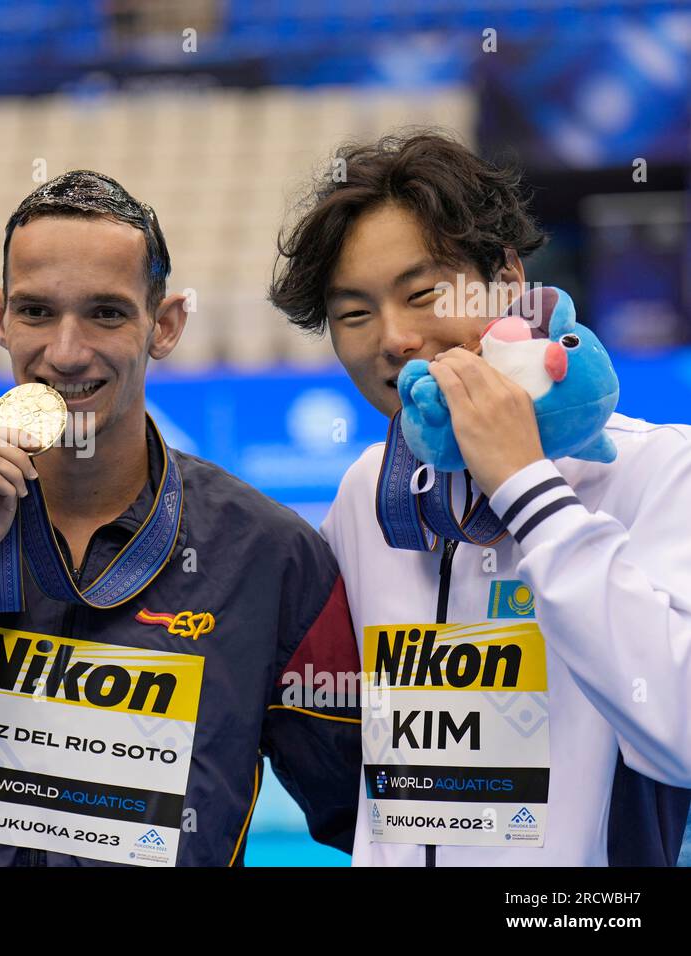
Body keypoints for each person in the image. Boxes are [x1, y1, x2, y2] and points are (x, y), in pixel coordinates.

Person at [0, 170, 361, 866]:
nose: (67, 352)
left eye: (107, 313)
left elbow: (363, 810)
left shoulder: (268, 554)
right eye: (36, 312)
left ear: (164, 325)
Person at [270, 131, 691, 865]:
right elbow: (327, 742)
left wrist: (529, 488)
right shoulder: (370, 490)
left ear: (507, 280)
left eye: (424, 293)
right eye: (354, 314)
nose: (395, 339)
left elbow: (680, 730)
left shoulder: (656, 469)